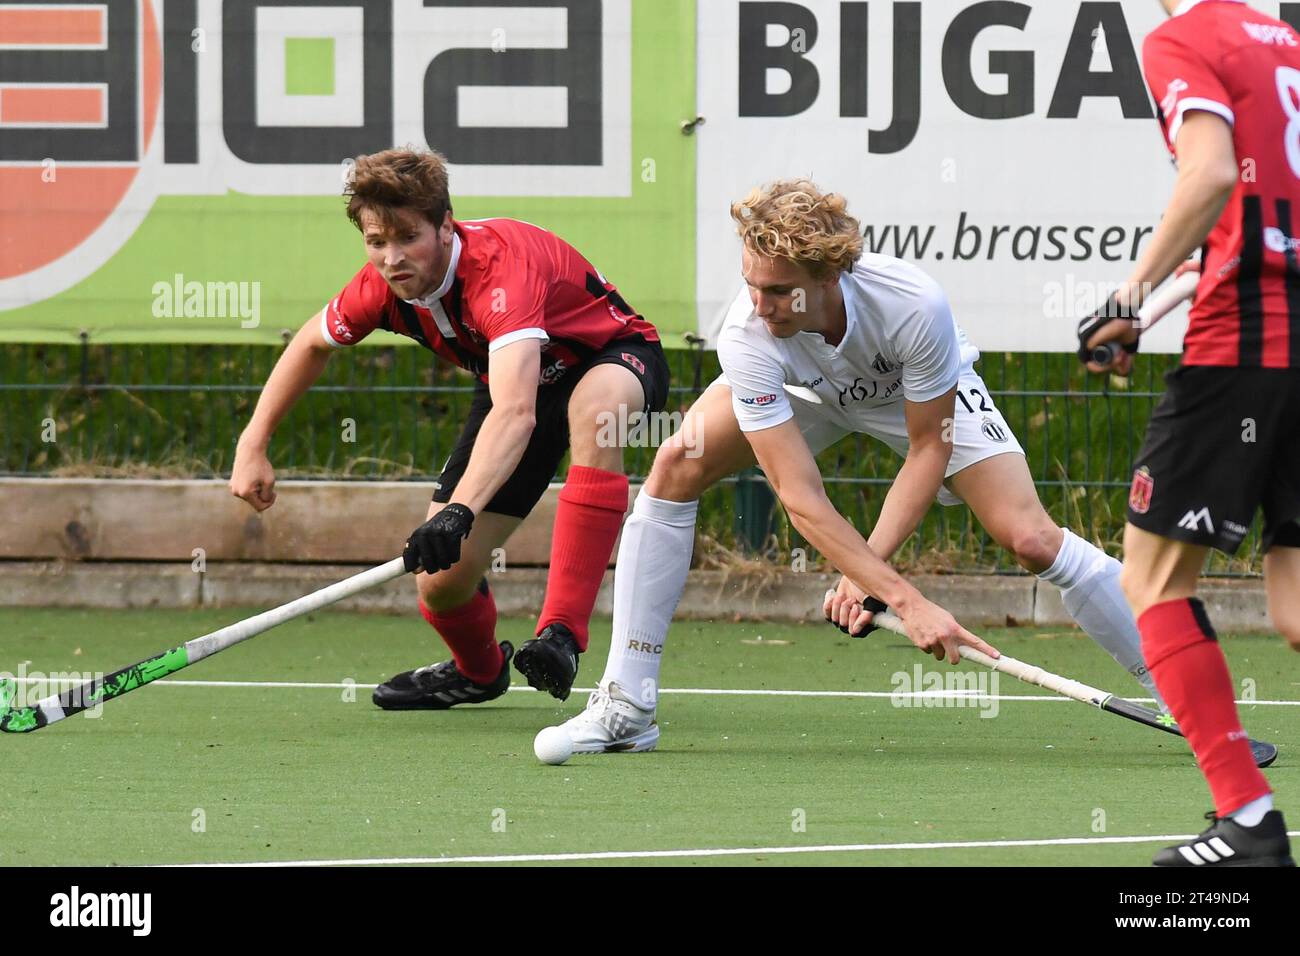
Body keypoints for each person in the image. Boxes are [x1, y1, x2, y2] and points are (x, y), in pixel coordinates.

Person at [551, 178, 1200, 761]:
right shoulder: (750, 333)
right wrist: (900, 597)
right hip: (807, 392)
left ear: (828, 278)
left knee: (1029, 538)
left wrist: (871, 580)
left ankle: (1182, 681)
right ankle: (627, 707)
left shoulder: (913, 305)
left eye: (779, 291)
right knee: (676, 463)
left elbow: (928, 449)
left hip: (907, 399)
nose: (761, 303)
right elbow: (797, 494)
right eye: (751, 284)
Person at [229, 147, 668, 710]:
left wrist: (460, 509)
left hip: (612, 356)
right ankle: (479, 673)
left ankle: (561, 634)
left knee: (594, 408)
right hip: (514, 385)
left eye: (408, 237)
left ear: (444, 224)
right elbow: (312, 344)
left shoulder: (500, 271)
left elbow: (515, 414)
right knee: (441, 581)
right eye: (376, 242)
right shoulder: (380, 289)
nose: (392, 259)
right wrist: (253, 442)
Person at [1080, 0, 1298, 866]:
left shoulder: (1184, 38)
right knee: (1294, 608)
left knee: (1154, 578)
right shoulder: (1288, 45)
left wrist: (1129, 297)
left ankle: (1245, 819)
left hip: (1244, 345)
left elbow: (1208, 177)